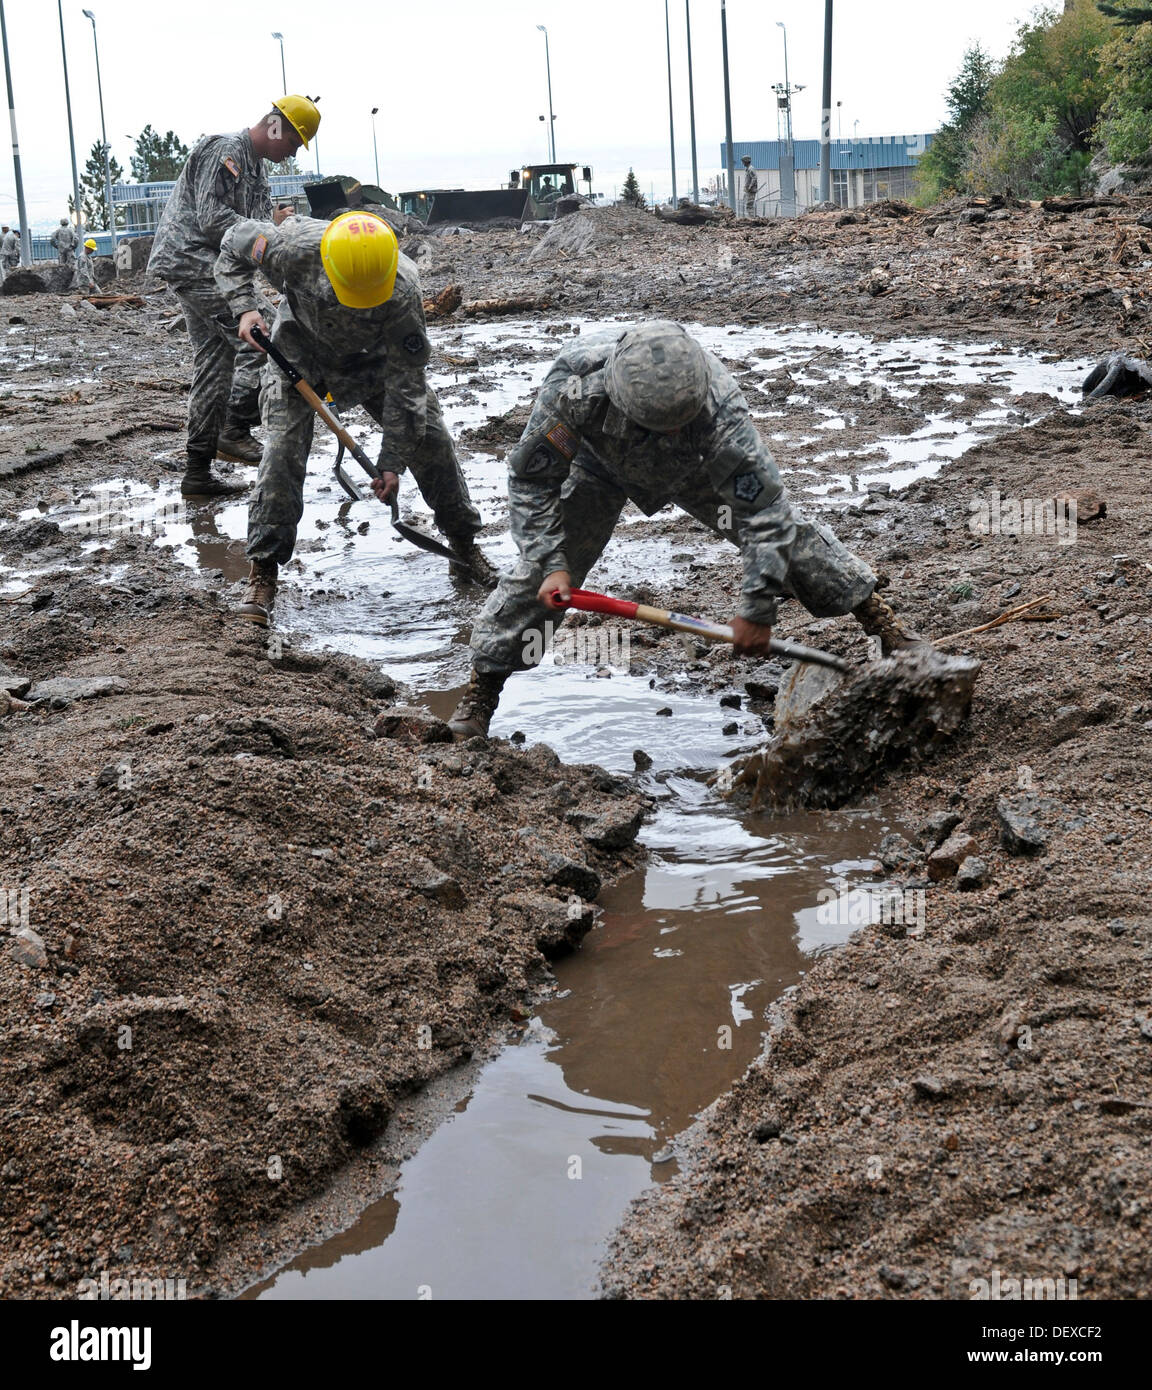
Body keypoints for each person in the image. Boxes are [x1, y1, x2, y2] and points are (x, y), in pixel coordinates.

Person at [448, 321, 919, 740]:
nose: (666, 434)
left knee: (789, 538)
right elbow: (533, 479)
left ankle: (883, 625)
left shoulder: (718, 405)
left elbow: (764, 513)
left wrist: (757, 609)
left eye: (676, 425)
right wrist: (550, 562)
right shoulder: (574, 386)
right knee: (538, 579)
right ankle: (481, 693)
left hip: (695, 468)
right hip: (598, 466)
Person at [214, 209, 498, 625]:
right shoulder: (290, 248)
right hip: (298, 358)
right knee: (281, 454)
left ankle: (463, 546)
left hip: (373, 366)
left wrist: (390, 463)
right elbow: (230, 247)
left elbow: (408, 386)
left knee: (432, 439)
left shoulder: (403, 288)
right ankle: (263, 572)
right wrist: (245, 309)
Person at [147, 96, 320, 497]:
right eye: (294, 143)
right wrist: (272, 235)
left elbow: (256, 240)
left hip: (213, 267)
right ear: (276, 126)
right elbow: (212, 220)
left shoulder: (257, 172)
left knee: (214, 363)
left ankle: (197, 472)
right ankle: (233, 425)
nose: (292, 152)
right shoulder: (226, 150)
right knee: (268, 333)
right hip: (194, 259)